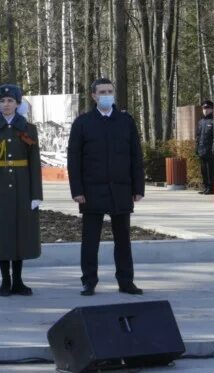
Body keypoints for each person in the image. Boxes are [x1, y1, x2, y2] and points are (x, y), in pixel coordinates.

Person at [67, 77, 144, 297]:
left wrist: (138, 187)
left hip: (121, 189)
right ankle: (89, 281)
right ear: (94, 96)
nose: (106, 95)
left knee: (123, 240)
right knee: (90, 240)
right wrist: (77, 190)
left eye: (109, 91)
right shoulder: (83, 123)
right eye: (102, 92)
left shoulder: (125, 121)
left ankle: (126, 281)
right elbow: (74, 159)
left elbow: (135, 156)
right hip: (92, 191)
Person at [0, 84, 42, 296]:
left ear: (18, 104)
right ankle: (5, 281)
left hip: (23, 188)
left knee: (21, 235)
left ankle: (19, 281)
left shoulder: (28, 129)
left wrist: (36, 194)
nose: (6, 104)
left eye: (10, 101)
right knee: (3, 235)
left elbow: (34, 162)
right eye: (2, 101)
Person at [197, 100, 214, 195]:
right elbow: (198, 136)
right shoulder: (201, 122)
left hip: (210, 150)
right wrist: (197, 148)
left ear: (212, 109)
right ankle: (205, 187)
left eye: (207, 108)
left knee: (210, 170)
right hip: (201, 149)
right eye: (204, 108)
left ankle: (211, 188)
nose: (205, 110)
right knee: (203, 170)